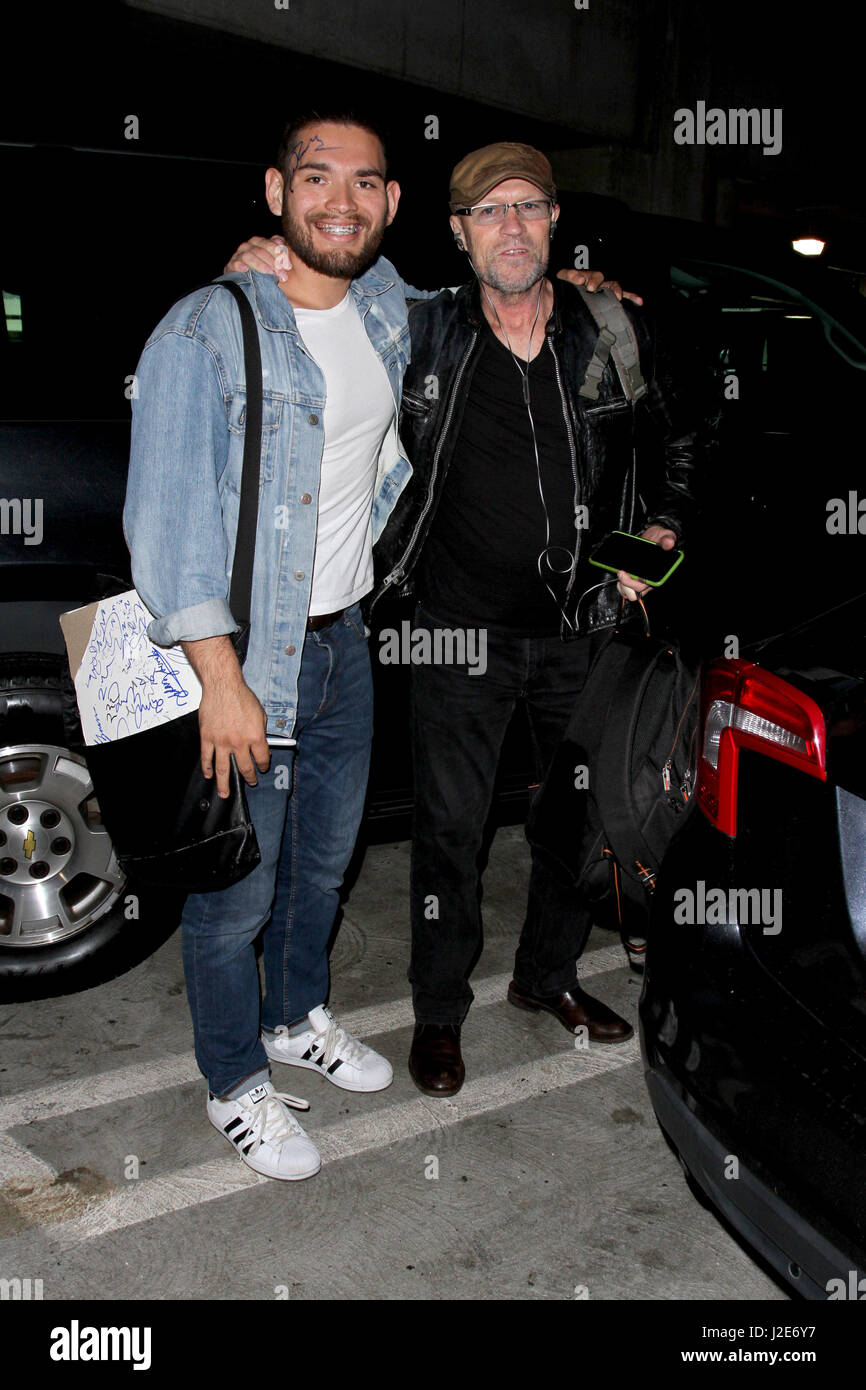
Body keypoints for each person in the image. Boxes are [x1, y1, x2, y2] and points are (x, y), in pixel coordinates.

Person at [225, 142, 657, 1103]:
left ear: (555, 224)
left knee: (574, 823)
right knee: (451, 834)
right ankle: (439, 1012)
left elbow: (677, 444)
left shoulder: (608, 326)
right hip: (456, 634)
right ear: (458, 234)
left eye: (530, 209)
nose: (512, 228)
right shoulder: (418, 330)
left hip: (581, 631)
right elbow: (322, 285)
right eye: (489, 212)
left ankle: (548, 977)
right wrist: (262, 263)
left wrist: (661, 522)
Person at [125, 111, 435, 1182]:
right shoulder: (205, 327)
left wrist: (581, 292)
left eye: (363, 183)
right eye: (315, 178)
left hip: (345, 644)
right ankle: (232, 1079)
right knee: (233, 890)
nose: (338, 201)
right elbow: (165, 527)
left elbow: (482, 306)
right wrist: (220, 680)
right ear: (274, 190)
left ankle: (296, 1014)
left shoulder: (391, 306)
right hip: (247, 658)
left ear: (390, 204)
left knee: (321, 866)